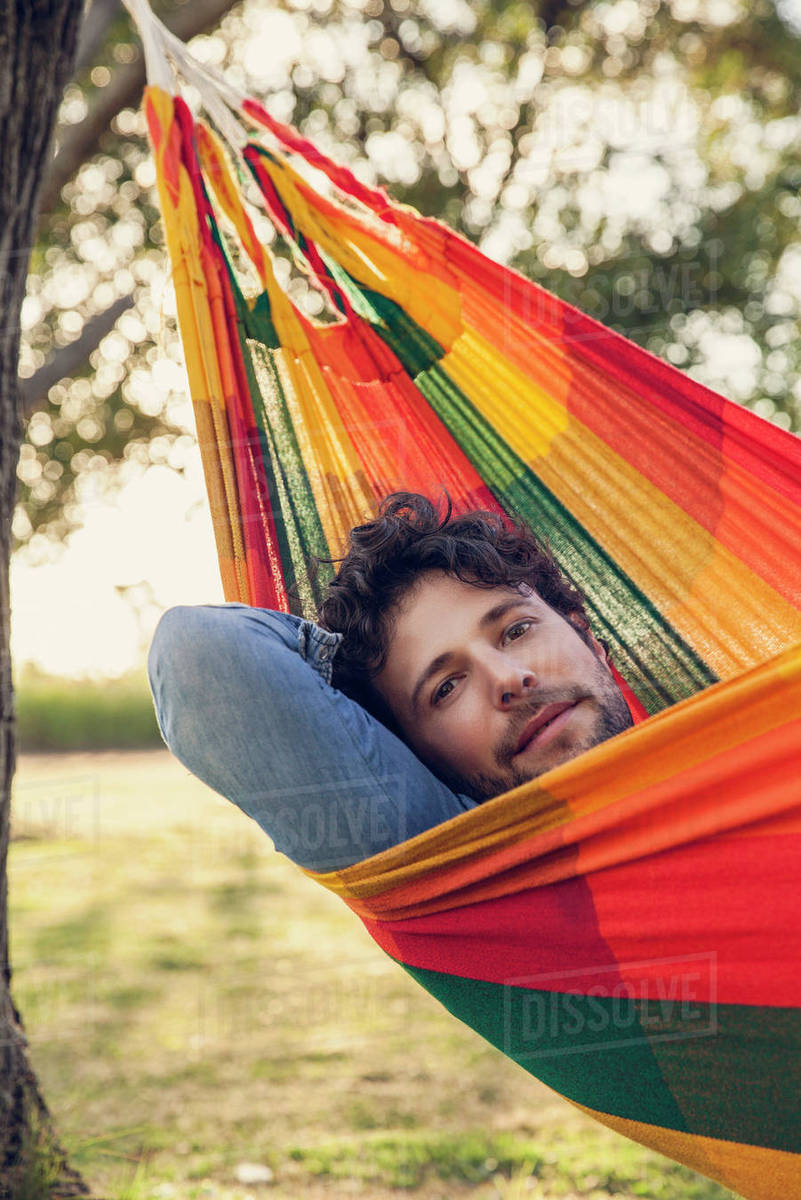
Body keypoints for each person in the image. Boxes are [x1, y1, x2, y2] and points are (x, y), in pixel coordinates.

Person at [148, 491, 633, 873]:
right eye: (446, 688)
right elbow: (198, 650)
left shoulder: (710, 728)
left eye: (517, 631)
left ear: (585, 633)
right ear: (414, 757)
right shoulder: (452, 872)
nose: (509, 679)